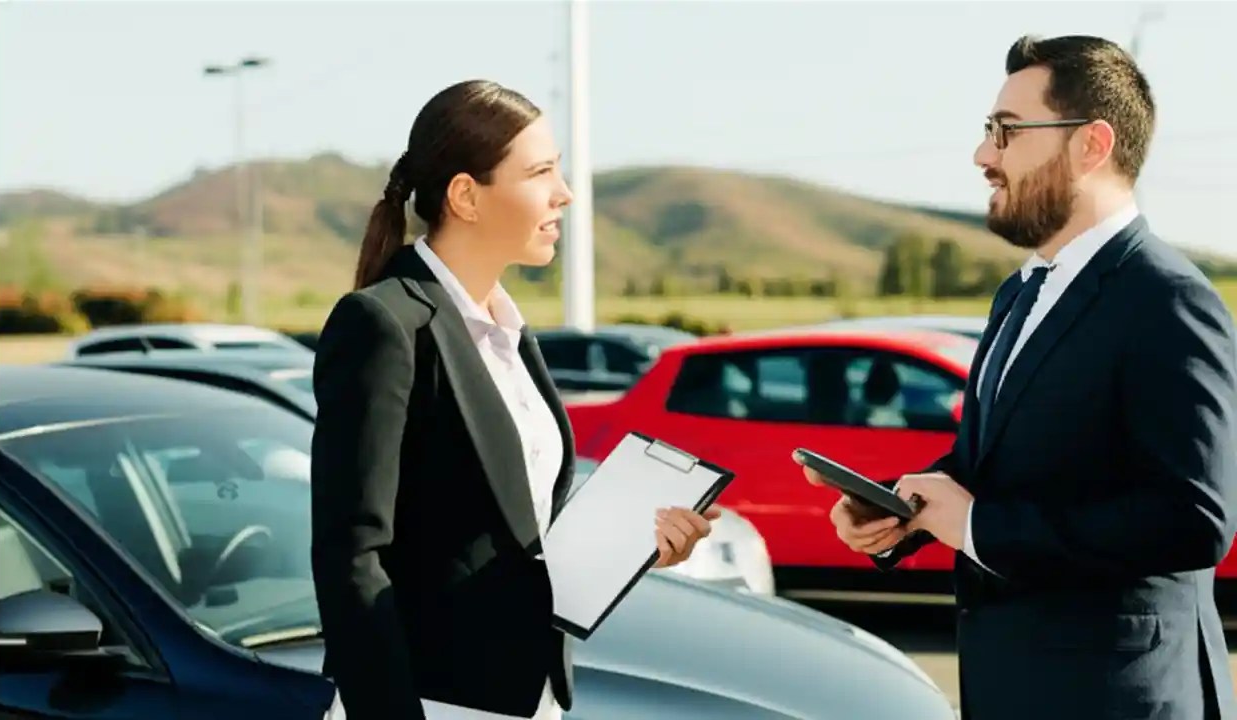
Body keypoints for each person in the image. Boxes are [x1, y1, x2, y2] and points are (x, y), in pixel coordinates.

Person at [803, 35, 1237, 719]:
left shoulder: (1168, 300)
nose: (983, 156)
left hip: (1118, 697)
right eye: (987, 132)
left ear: (1090, 145)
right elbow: (996, 464)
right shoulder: (1019, 293)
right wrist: (905, 511)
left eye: (1005, 132)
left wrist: (979, 529)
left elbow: (1192, 519)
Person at [310, 80, 719, 720]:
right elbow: (351, 557)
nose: (565, 193)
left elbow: (512, 531)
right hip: (431, 701)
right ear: (467, 195)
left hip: (532, 693)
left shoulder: (506, 329)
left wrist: (638, 543)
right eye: (540, 172)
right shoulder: (383, 324)